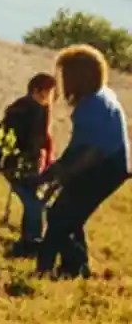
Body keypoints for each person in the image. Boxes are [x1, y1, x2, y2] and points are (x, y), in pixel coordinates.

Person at [27, 45, 130, 279]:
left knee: (60, 216)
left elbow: (92, 152)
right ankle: (74, 269)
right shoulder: (100, 96)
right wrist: (52, 174)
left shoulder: (91, 106)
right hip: (106, 165)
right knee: (70, 216)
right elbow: (77, 149)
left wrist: (64, 175)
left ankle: (44, 270)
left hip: (105, 168)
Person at [2, 73, 57, 258]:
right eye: (49, 92)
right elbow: (30, 141)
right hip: (23, 165)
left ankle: (28, 240)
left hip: (23, 165)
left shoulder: (26, 108)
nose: (51, 97)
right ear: (38, 91)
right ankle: (33, 242)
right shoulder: (30, 110)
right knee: (34, 203)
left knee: (33, 202)